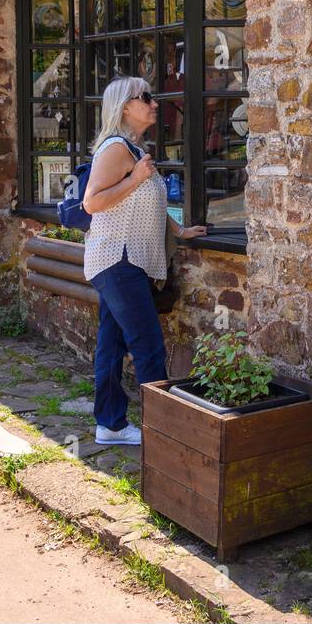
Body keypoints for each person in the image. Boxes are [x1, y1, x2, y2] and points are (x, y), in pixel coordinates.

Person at [82, 76, 206, 445]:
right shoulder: (117, 150)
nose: (154, 103)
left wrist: (180, 231)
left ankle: (110, 424)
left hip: (124, 261)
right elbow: (92, 202)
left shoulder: (134, 150)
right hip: (118, 261)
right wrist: (135, 178)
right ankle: (160, 431)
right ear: (125, 106)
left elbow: (148, 201)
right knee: (149, 344)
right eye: (146, 97)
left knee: (112, 344)